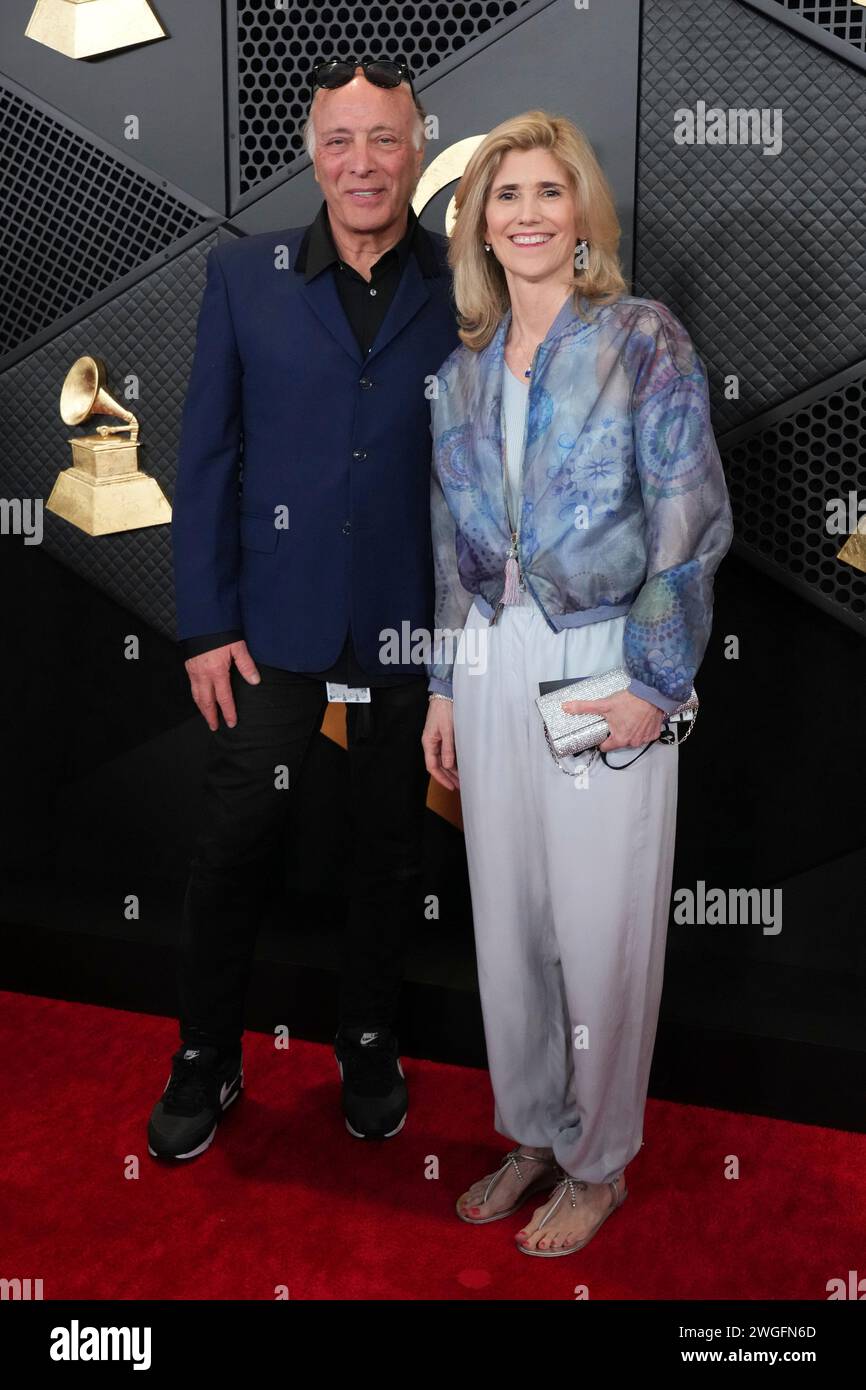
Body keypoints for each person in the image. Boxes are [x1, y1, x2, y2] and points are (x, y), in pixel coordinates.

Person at [422, 110, 734, 1256]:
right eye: (506, 197)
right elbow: (448, 546)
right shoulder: (456, 375)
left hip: (606, 657)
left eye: (549, 192)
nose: (528, 214)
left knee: (600, 931)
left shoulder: (641, 337)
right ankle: (536, 1132)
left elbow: (688, 524)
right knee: (509, 924)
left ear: (580, 212)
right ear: (479, 224)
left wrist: (656, 683)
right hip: (493, 658)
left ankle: (598, 1163)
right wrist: (445, 688)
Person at [148, 58, 459, 1160]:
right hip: (264, 628)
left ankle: (366, 1040)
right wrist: (204, 623)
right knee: (236, 840)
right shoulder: (243, 274)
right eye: (340, 140)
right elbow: (204, 459)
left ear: (418, 146)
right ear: (311, 149)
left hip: (405, 627)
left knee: (388, 853)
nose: (362, 163)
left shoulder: (460, 279)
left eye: (383, 139)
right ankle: (205, 1053)